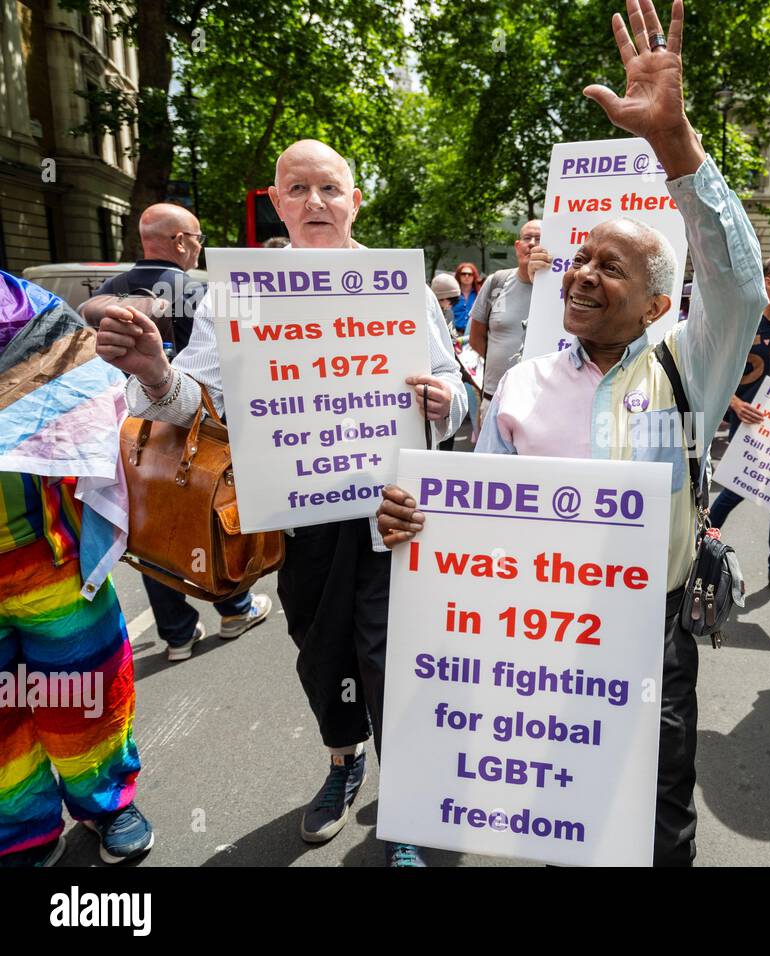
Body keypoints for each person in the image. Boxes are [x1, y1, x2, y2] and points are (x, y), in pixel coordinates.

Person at [377, 0, 765, 866]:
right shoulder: (520, 382)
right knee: (563, 816)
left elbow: (737, 285)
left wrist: (676, 145)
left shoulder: (685, 369)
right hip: (532, 632)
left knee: (658, 821)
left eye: (610, 266)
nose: (582, 273)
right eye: (579, 258)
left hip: (651, 636)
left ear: (658, 304)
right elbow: (471, 517)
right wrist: (411, 522)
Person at [93, 138, 467, 868]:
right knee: (323, 654)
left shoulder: (402, 286)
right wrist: (155, 372)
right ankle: (342, 765)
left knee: (398, 661)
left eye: (330, 188)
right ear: (277, 202)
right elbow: (198, 404)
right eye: (298, 190)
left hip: (395, 518)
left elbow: (453, 387)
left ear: (356, 200)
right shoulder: (240, 291)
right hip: (301, 521)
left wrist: (445, 398)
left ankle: (411, 807)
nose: (316, 203)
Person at [0, 271, 151, 867]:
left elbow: (92, 395)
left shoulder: (19, 305)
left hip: (46, 554)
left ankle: (108, 803)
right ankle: (21, 831)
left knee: (83, 688)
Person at [82, 204, 273, 663]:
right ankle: (234, 609)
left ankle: (177, 634)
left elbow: (86, 327)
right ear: (183, 241)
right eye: (199, 239)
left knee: (153, 524)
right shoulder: (201, 291)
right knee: (207, 514)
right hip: (196, 434)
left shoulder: (110, 292)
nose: (200, 248)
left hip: (132, 437)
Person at [708, 257, 770, 602]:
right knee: (736, 490)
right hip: (746, 424)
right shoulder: (744, 324)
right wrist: (734, 403)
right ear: (768, 283)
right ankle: (701, 549)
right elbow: (715, 370)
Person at [79, 203, 206, 353]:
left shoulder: (108, 288)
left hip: (116, 376)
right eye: (198, 238)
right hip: (166, 376)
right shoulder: (197, 292)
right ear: (180, 242)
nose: (200, 246)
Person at [468, 220, 550, 419]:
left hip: (542, 400)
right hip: (495, 398)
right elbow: (476, 338)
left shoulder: (559, 287)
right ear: (517, 246)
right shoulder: (497, 281)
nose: (531, 243)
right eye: (526, 238)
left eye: (538, 239)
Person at [451, 262, 482, 334]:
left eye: (470, 274)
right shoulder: (452, 295)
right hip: (455, 334)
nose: (467, 276)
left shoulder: (479, 294)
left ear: (474, 276)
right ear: (458, 275)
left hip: (474, 334)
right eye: (463, 274)